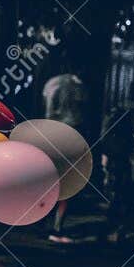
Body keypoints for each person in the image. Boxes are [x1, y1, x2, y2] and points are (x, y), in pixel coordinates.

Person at [100, 78, 134, 243]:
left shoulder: (117, 108)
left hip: (115, 156)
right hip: (132, 159)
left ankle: (111, 226)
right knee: (130, 194)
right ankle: (120, 231)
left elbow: (105, 133)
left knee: (116, 192)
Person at [41, 70, 87, 240]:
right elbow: (82, 112)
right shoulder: (78, 85)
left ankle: (41, 221)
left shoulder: (50, 82)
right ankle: (57, 226)